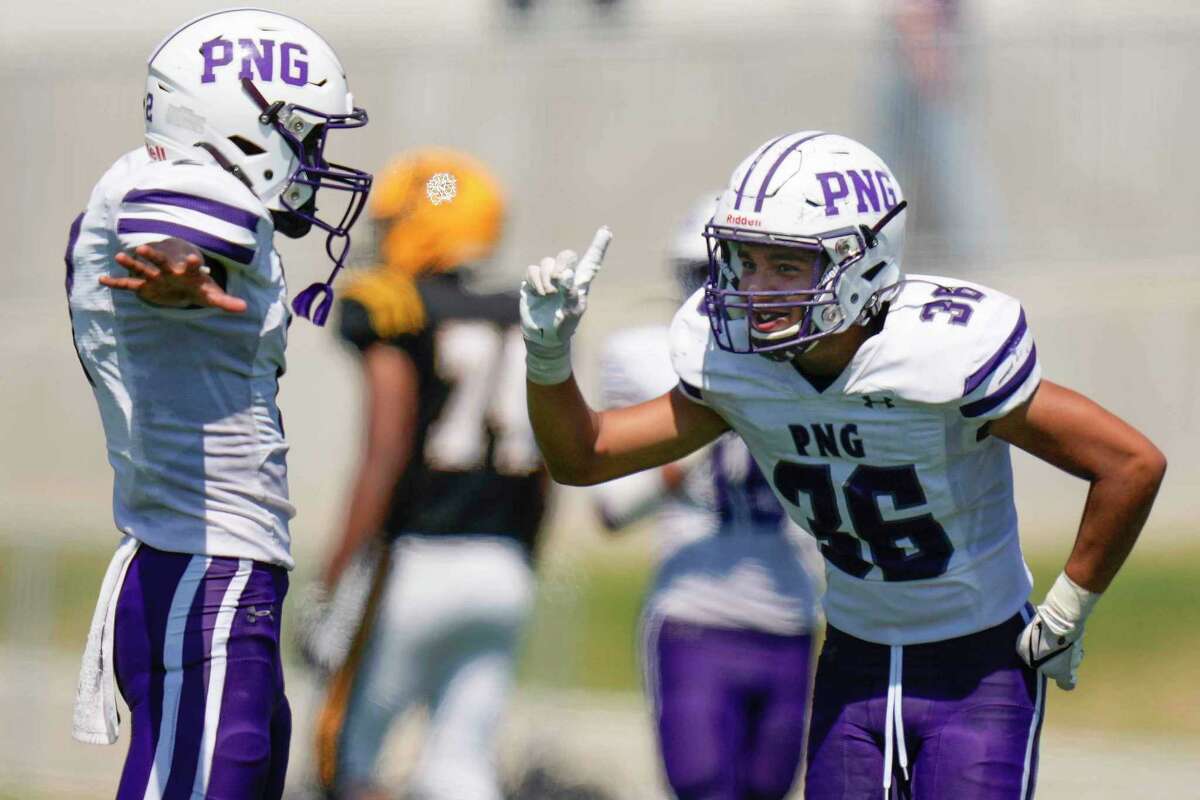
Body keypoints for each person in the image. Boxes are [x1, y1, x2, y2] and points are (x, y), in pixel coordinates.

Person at [519, 132, 1166, 799]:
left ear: (862, 264)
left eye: (785, 266)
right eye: (744, 261)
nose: (755, 288)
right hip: (853, 662)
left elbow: (1129, 463)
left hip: (979, 669)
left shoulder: (939, 354)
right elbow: (584, 456)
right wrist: (547, 354)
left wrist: (1067, 609)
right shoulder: (741, 368)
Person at [66, 10, 371, 798]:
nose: (315, 159)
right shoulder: (171, 180)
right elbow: (171, 226)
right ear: (241, 123)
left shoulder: (171, 185)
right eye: (305, 134)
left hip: (218, 573)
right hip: (202, 576)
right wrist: (183, 261)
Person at [303, 149, 548, 800]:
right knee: (461, 770)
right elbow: (549, 458)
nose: (382, 239)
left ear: (423, 224)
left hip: (414, 564)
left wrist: (334, 577)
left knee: (348, 757)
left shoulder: (394, 304)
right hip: (504, 568)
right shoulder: (526, 309)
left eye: (392, 224)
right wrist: (524, 558)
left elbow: (385, 452)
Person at [590, 196, 824, 800]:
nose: (735, 291)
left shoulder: (818, 358)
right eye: (714, 272)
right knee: (703, 788)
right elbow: (612, 509)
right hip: (696, 611)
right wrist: (709, 420)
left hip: (790, 610)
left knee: (771, 789)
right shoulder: (650, 355)